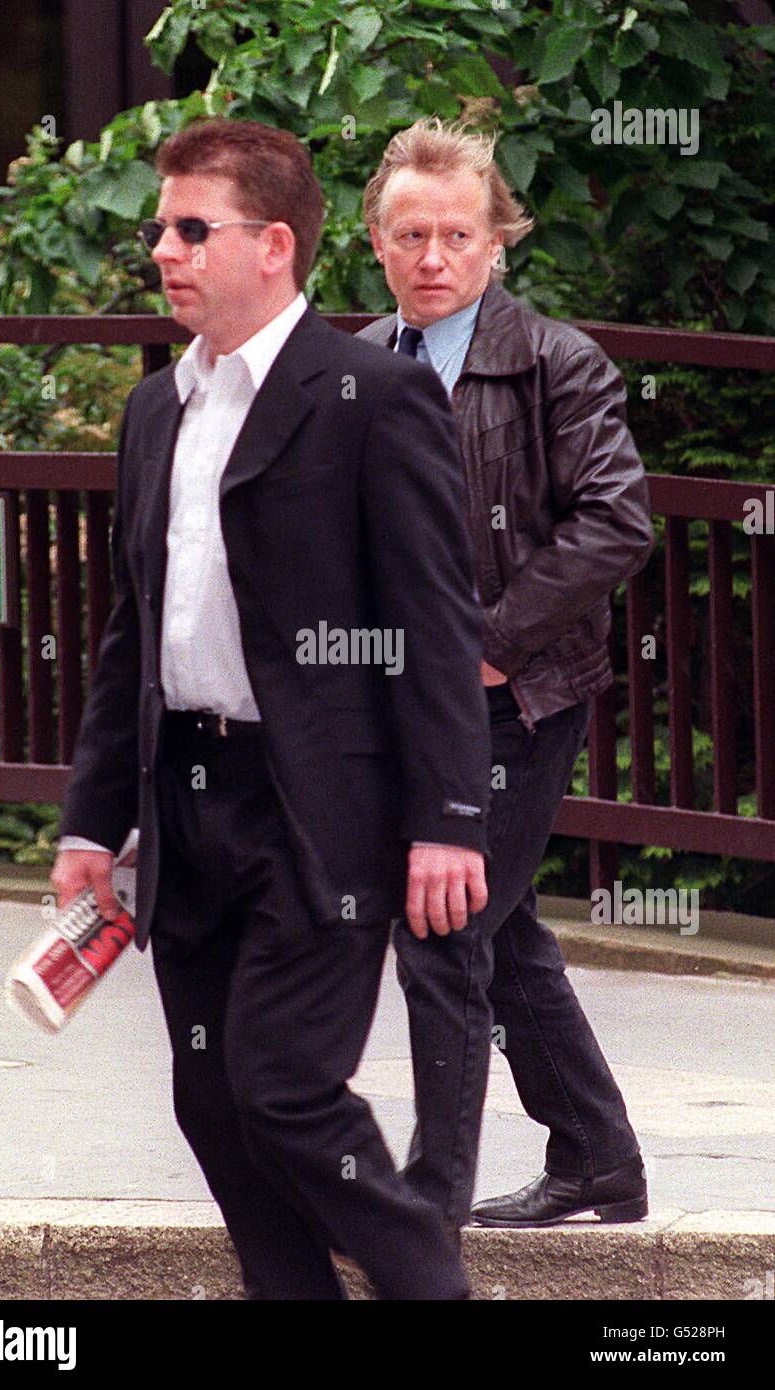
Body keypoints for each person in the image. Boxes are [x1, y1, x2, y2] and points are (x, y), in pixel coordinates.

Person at [51, 118, 492, 1299]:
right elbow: (133, 633)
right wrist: (92, 822)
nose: (164, 251)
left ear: (274, 244)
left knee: (284, 1088)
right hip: (185, 805)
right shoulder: (158, 409)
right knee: (212, 1101)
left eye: (192, 229)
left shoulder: (372, 397)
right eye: (162, 229)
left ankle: (431, 1287)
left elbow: (434, 622)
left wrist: (448, 819)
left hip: (318, 809)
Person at [358, 118, 654, 1231]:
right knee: (503, 921)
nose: (433, 256)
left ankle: (427, 1205)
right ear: (378, 245)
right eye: (411, 235)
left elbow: (616, 522)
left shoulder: (554, 362)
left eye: (456, 235)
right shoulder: (356, 364)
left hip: (516, 697)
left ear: (496, 243)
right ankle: (597, 1156)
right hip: (397, 697)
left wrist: (489, 645)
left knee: (442, 928)